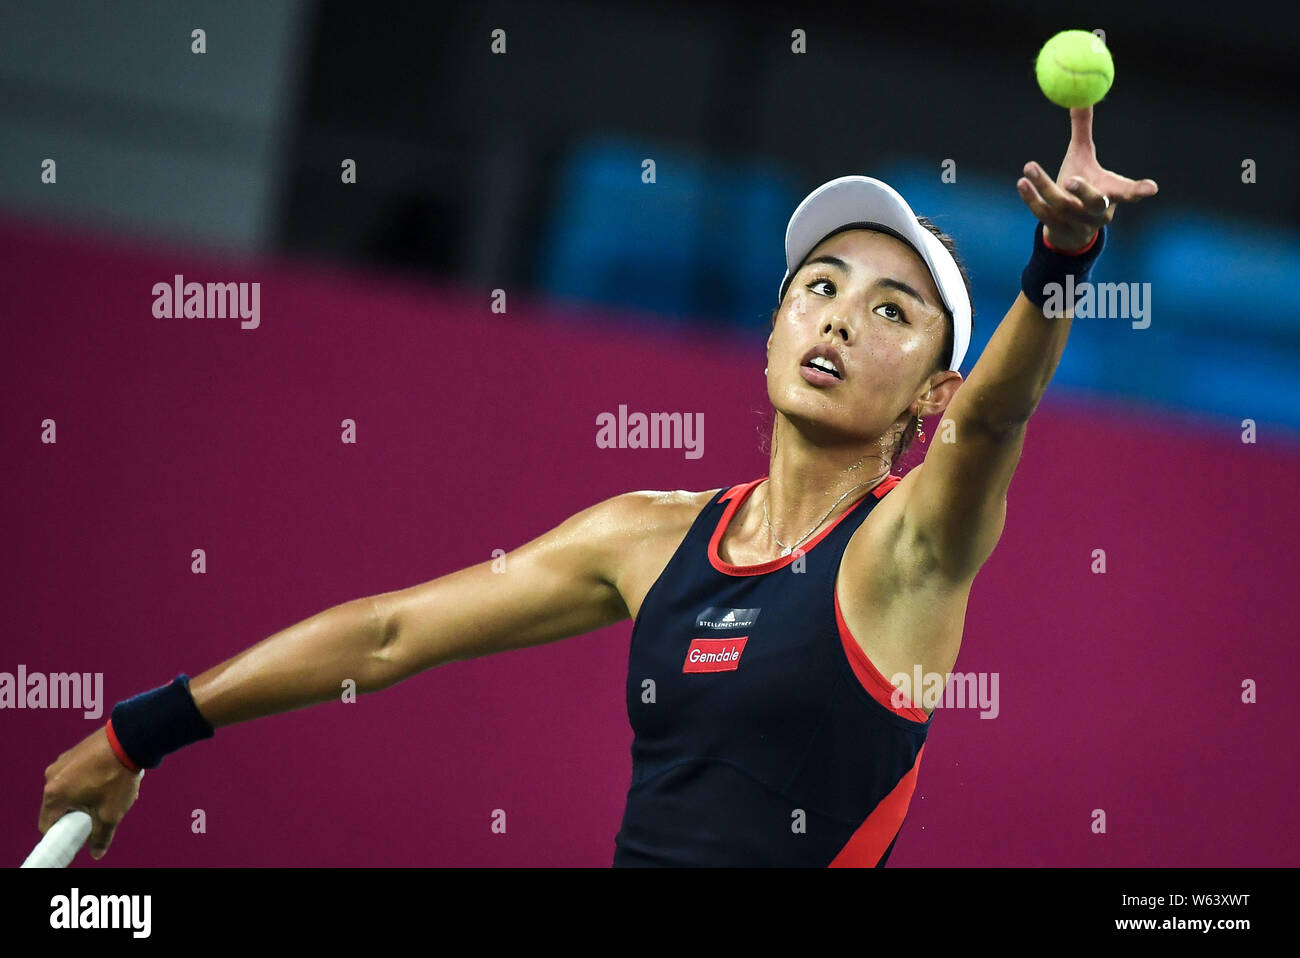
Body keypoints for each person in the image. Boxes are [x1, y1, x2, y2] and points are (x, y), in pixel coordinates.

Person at [37, 106, 1156, 866]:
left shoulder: (909, 548)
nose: (837, 318)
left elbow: (998, 414)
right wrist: (139, 732)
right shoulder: (646, 535)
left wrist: (1057, 265)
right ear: (773, 324)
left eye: (890, 312)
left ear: (927, 397)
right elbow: (385, 635)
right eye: (819, 285)